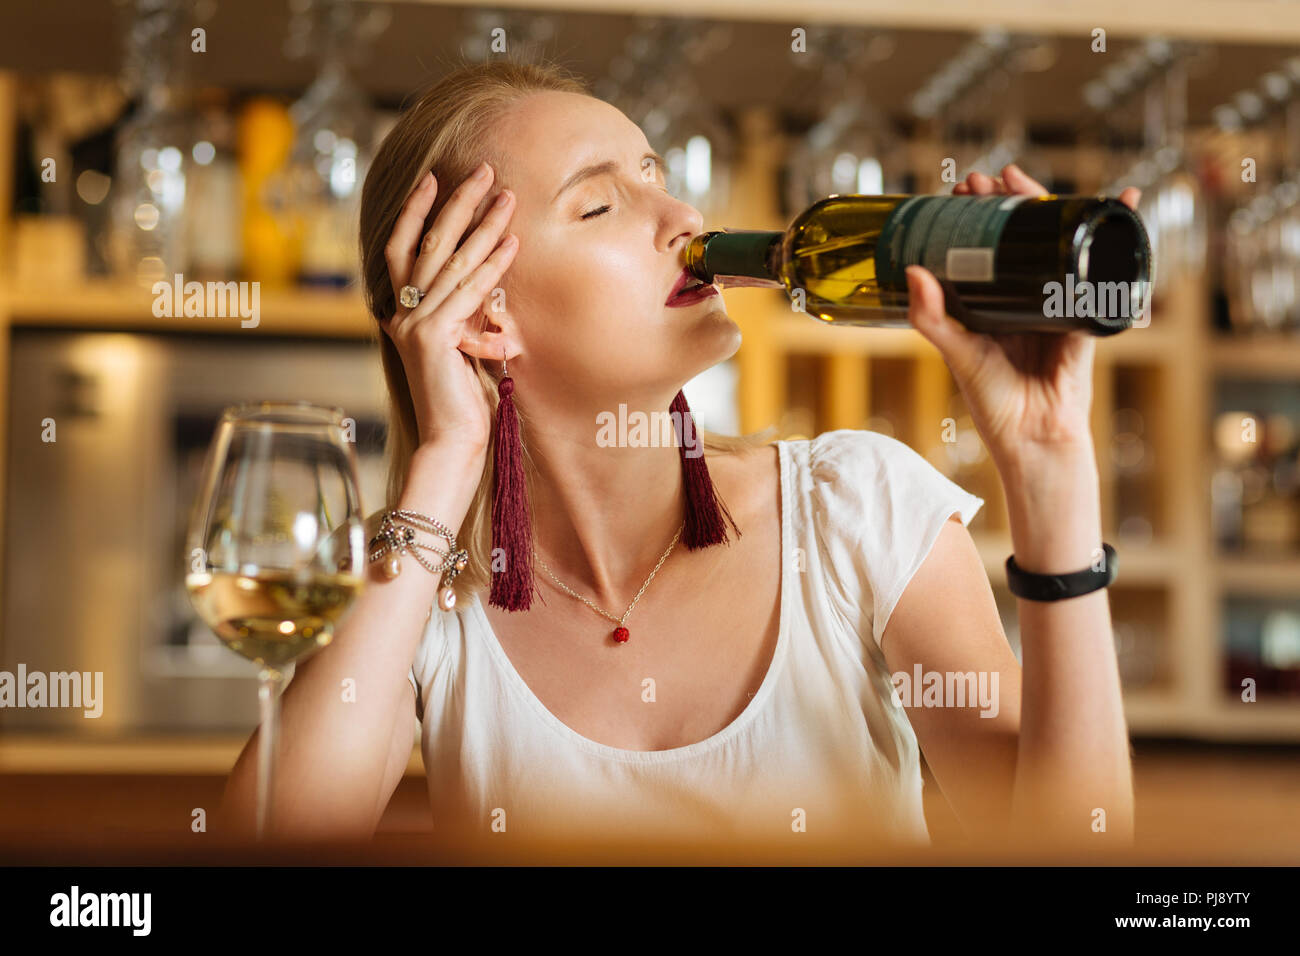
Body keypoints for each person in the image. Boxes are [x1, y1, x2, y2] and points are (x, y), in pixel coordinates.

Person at [221, 58, 1138, 854]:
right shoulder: (422, 591)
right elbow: (274, 849)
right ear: (484, 313)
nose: (683, 216)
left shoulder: (855, 511)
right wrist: (447, 455)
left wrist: (1051, 461)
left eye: (654, 173)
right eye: (599, 202)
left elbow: (1074, 854)